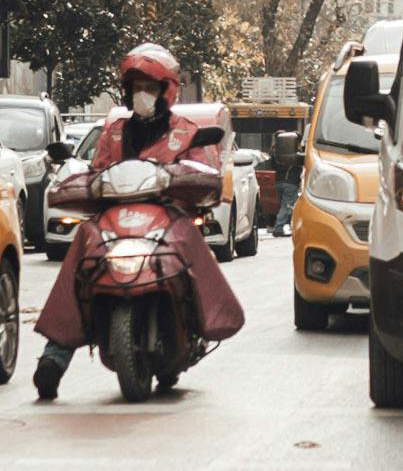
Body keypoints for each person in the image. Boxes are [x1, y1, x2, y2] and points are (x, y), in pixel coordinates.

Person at [32, 41, 245, 400]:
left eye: (149, 87)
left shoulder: (187, 131)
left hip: (169, 217)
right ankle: (55, 355)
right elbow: (97, 170)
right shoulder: (113, 131)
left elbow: (205, 172)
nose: (142, 95)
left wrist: (184, 177)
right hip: (113, 217)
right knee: (83, 241)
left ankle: (202, 319)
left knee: (188, 240)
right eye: (136, 88)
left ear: (167, 91)